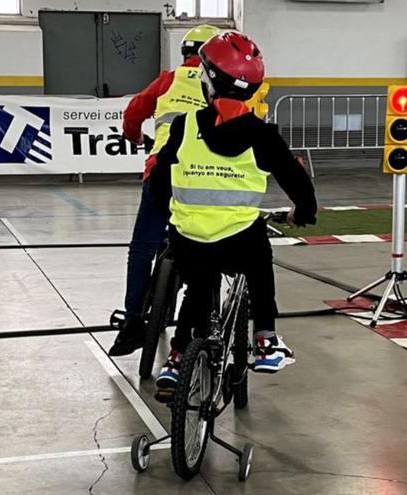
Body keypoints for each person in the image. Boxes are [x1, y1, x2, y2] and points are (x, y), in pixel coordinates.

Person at [149, 31, 317, 402]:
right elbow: (296, 181)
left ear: (208, 81)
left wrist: (171, 215)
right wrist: (303, 212)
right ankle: (266, 338)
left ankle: (177, 359)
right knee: (260, 261)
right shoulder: (262, 135)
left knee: (196, 287)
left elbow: (160, 179)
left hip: (189, 237)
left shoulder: (185, 126)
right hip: (239, 239)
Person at [108, 25, 220, 356]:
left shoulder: (167, 80)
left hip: (160, 172)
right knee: (207, 247)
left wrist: (134, 137)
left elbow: (134, 112)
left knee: (142, 247)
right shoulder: (218, 87)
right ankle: (207, 322)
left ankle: (132, 321)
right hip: (200, 177)